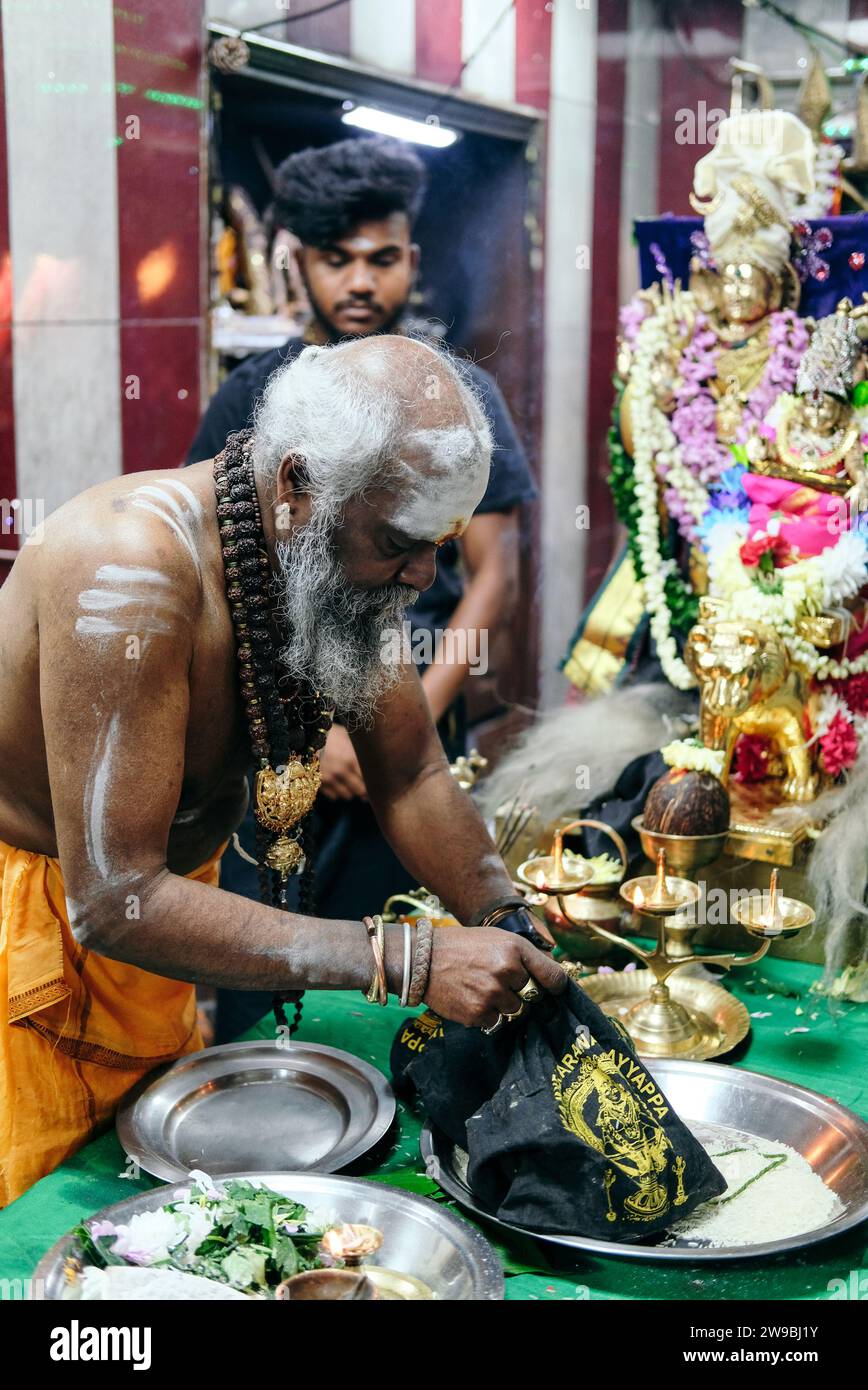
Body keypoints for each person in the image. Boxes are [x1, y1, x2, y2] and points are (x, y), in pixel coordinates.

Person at [0, 335, 562, 1205]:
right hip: (38, 956)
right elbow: (113, 898)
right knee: (44, 1238)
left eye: (441, 545)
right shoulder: (128, 567)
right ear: (297, 485)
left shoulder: (339, 567)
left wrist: (506, 915)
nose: (423, 576)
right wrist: (409, 961)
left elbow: (410, 772)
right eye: (400, 543)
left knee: (164, 1222)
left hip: (155, 955)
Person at [188, 137, 540, 1040]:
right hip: (276, 744)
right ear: (294, 262)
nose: (358, 282)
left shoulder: (452, 398)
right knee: (268, 981)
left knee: (420, 983)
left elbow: (493, 576)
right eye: (333, 259)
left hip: (415, 719)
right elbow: (215, 588)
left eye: (381, 259)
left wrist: (405, 710)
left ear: (410, 261)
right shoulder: (251, 401)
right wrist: (319, 729)